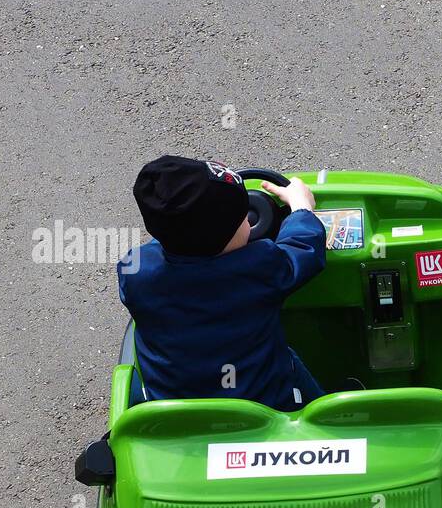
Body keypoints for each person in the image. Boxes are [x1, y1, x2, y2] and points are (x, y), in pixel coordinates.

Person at [121, 156, 326, 410]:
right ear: (224, 239)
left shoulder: (135, 271)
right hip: (264, 406)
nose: (250, 222)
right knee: (289, 360)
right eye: (243, 218)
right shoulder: (261, 267)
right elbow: (303, 251)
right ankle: (327, 422)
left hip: (175, 409)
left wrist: (180, 236)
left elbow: (175, 248)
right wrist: (302, 208)